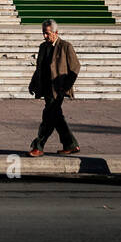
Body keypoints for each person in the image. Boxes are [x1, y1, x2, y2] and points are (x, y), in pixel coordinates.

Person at [28, 18, 81, 156]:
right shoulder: (43, 47)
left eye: (47, 33)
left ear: (56, 32)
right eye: (43, 33)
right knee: (57, 117)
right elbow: (39, 68)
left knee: (48, 116)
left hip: (58, 89)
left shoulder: (65, 46)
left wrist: (66, 86)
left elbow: (75, 67)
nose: (45, 36)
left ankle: (38, 146)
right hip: (45, 87)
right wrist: (33, 83)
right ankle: (71, 144)